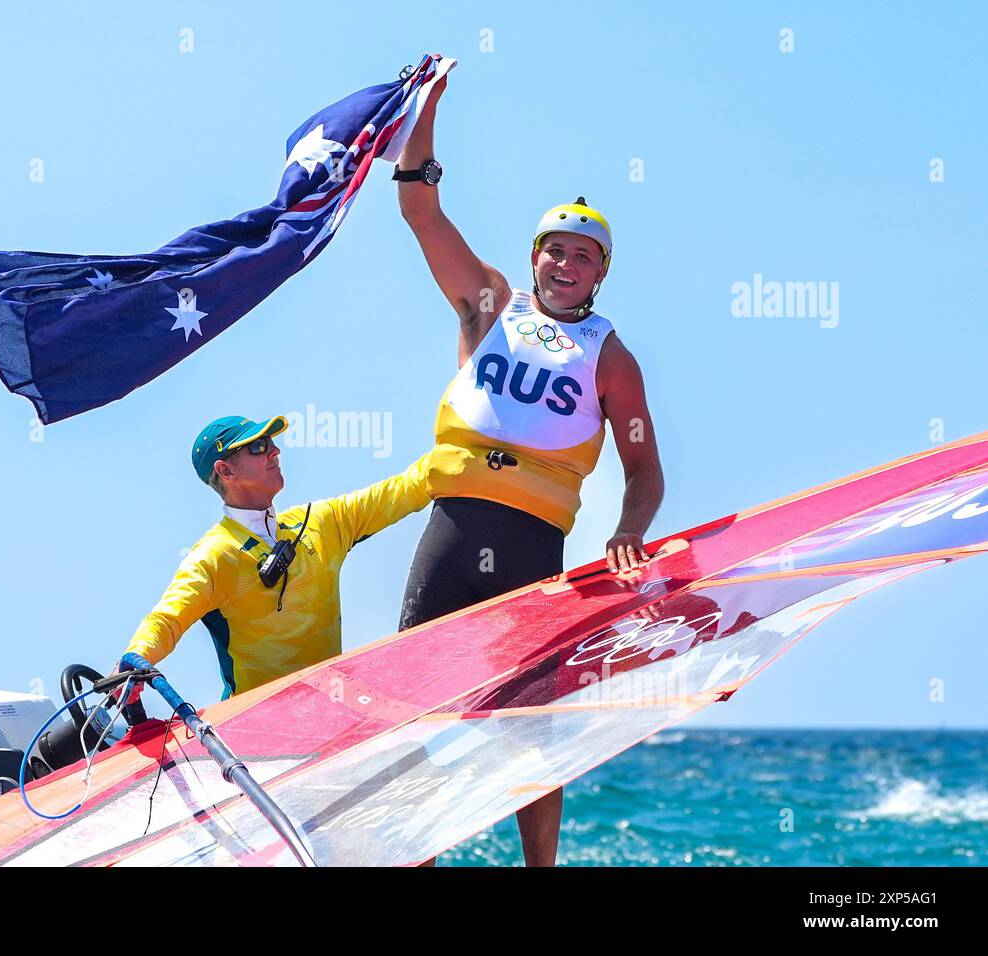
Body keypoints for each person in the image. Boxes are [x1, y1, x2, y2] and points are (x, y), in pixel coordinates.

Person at [392, 75, 665, 866]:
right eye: (557, 248)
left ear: (601, 273)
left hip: (532, 548)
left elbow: (645, 470)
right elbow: (419, 210)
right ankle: (418, 854)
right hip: (452, 531)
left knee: (533, 722)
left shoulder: (612, 358)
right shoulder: (488, 304)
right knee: (409, 701)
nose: (567, 262)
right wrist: (428, 112)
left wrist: (627, 531)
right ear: (534, 256)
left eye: (585, 255)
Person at [121, 414, 431, 699]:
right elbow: (165, 621)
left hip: (332, 711)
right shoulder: (213, 557)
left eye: (271, 443)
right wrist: (135, 661)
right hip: (256, 740)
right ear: (225, 470)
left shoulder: (320, 522)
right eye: (258, 446)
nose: (275, 452)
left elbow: (404, 489)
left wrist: (463, 446)